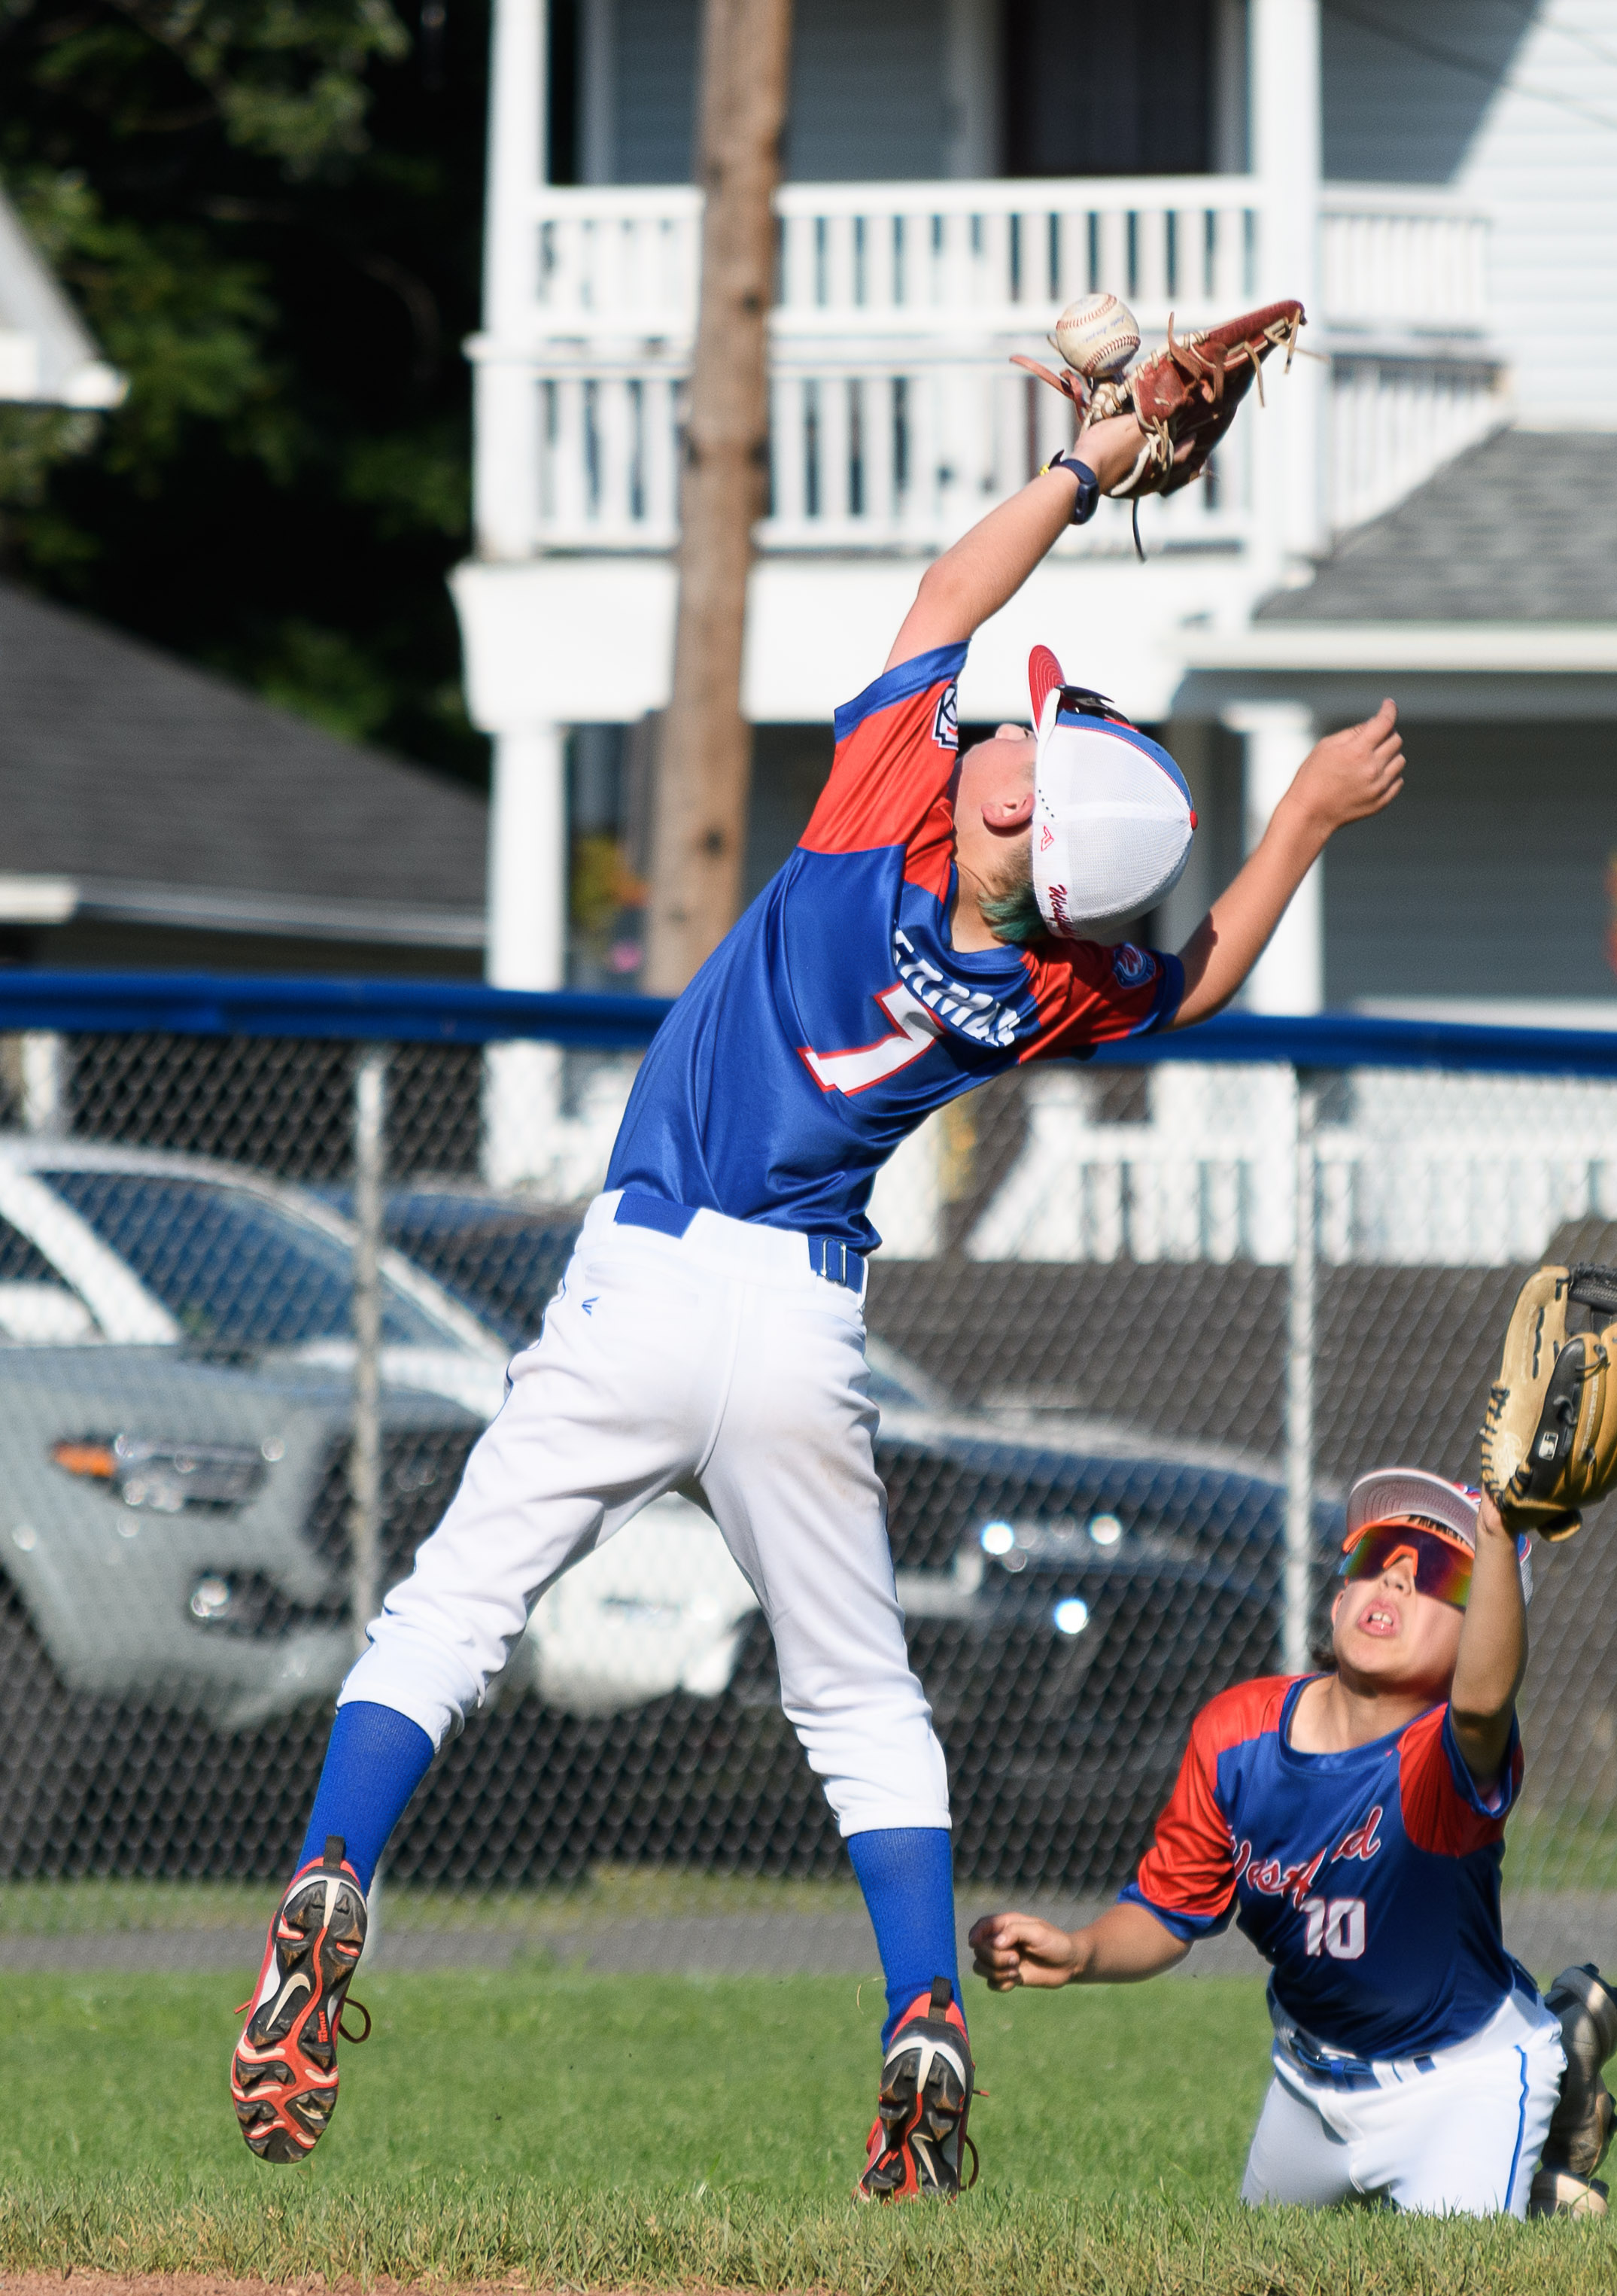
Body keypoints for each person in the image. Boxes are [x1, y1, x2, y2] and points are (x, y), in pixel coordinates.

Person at [229, 406, 1408, 2198]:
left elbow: (949, 584)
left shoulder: (879, 822)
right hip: (795, 1329)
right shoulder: (1056, 983)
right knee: (858, 1699)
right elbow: (1212, 974)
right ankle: (919, 2007)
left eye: (1025, 738)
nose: (1005, 734)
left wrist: (1086, 471)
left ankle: (333, 1869)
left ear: (1005, 802)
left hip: (640, 1283)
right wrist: (1309, 807)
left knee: (446, 1616)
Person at [969, 1469, 1617, 2218]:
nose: (1396, 1580)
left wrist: (1501, 1535)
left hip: (1462, 2077)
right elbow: (1166, 1909)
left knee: (1443, 2290)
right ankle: (1542, 2144)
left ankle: (1541, 2161)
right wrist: (1082, 1949)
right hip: (1306, 2083)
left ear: (1482, 1627)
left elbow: (1481, 1702)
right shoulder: (1237, 1734)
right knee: (1255, 2291)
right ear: (1339, 1594)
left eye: (1440, 1570)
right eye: (1375, 1556)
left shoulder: (1438, 1765)